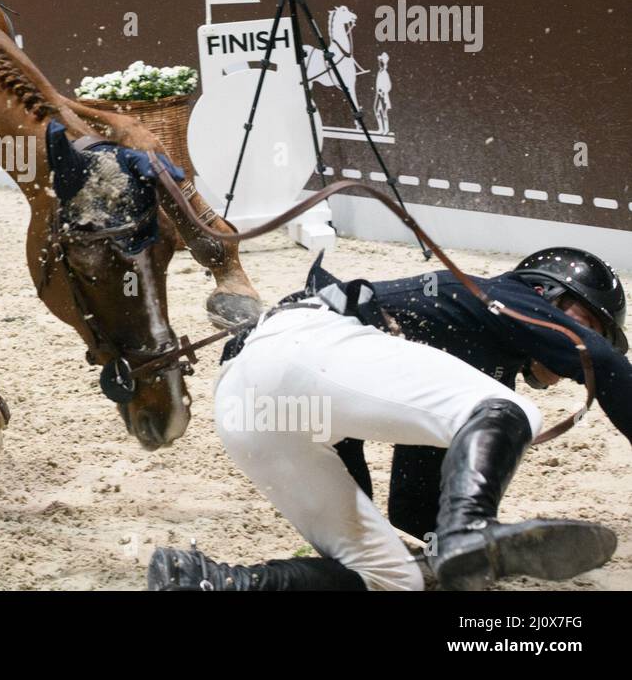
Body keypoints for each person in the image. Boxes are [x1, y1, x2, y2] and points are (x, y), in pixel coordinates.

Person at [149, 247, 629, 591]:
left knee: (390, 577)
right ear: (545, 294)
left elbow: (413, 505)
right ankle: (473, 526)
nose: (577, 343)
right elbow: (603, 362)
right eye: (587, 322)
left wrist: (451, 551)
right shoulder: (501, 295)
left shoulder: (458, 376)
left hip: (248, 404)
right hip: (300, 343)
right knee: (515, 409)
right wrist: (474, 535)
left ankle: (212, 581)